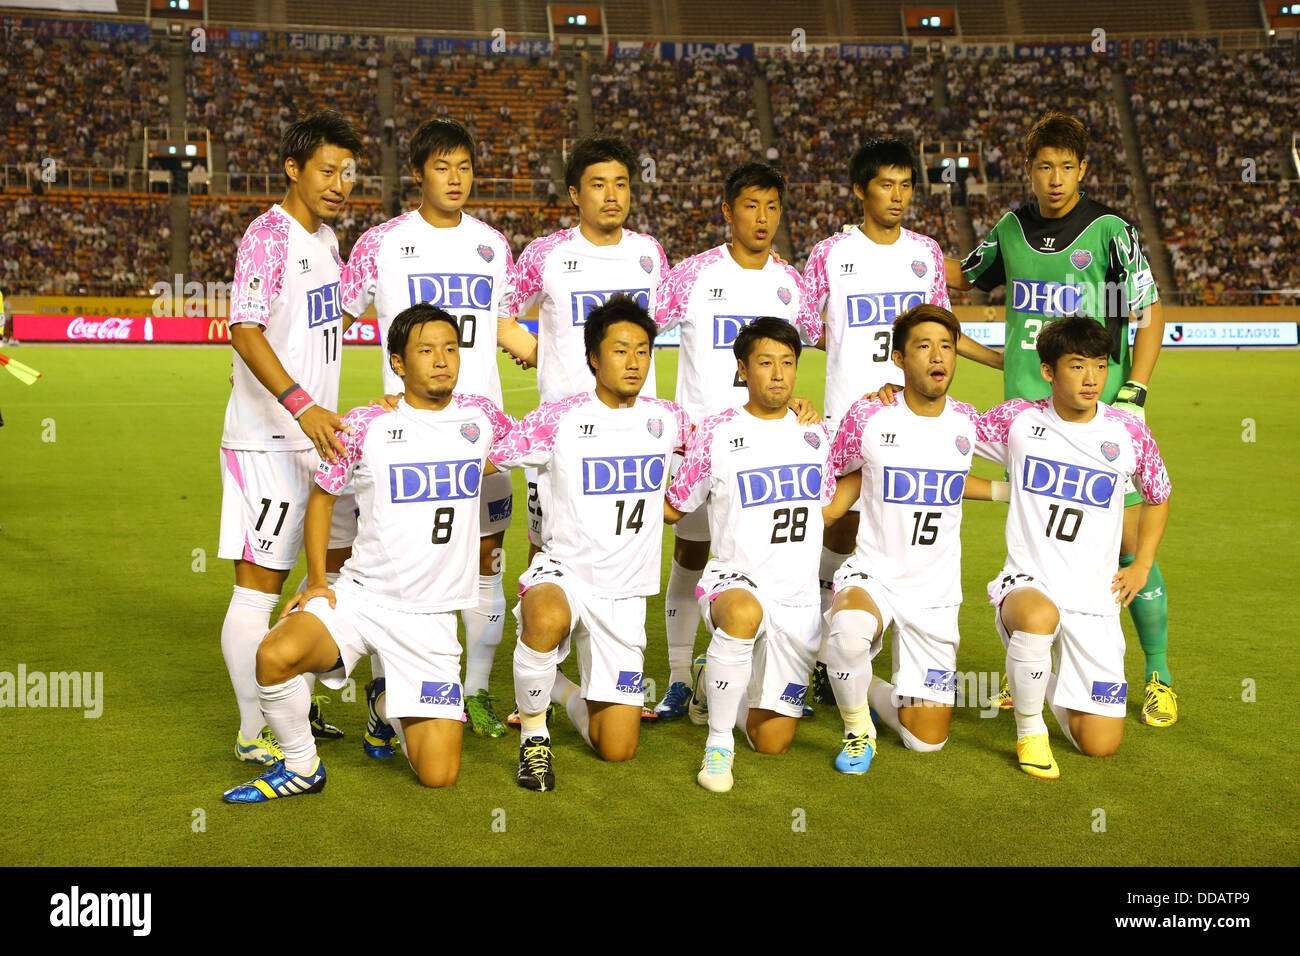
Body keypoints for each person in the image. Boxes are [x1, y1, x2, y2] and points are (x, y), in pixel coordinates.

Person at [222, 304, 516, 802]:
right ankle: (301, 766)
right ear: (398, 363)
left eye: (450, 348)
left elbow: (537, 446)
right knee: (274, 654)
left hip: (432, 619)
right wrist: (318, 581)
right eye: (426, 351)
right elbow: (323, 494)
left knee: (438, 775)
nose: (442, 360)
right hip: (361, 599)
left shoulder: (481, 418)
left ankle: (385, 707)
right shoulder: (365, 424)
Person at [945, 110, 1175, 726]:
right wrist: (901, 261)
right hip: (1025, 411)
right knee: (1032, 544)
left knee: (1127, 542)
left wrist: (1136, 390)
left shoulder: (1110, 232)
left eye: (1066, 167)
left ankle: (1157, 674)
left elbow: (1148, 315)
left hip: (1100, 413)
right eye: (1043, 166)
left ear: (1083, 170)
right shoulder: (1011, 229)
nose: (1054, 179)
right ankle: (1027, 672)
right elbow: (959, 279)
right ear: (1028, 169)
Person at [341, 118, 538, 742]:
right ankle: (382, 691)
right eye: (442, 168)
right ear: (418, 174)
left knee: (487, 559)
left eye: (465, 168)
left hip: (484, 437)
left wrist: (542, 350)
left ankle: (473, 691)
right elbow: (333, 318)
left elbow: (504, 325)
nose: (455, 180)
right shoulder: (381, 242)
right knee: (400, 563)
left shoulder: (493, 244)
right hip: (409, 434)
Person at [796, 139, 977, 700]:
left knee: (900, 518)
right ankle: (825, 647)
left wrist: (998, 359)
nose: (898, 197)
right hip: (848, 413)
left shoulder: (924, 252)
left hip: (913, 413)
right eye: (885, 185)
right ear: (860, 190)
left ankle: (883, 642)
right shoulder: (829, 253)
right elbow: (805, 323)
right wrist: (852, 359)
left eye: (906, 186)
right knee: (839, 524)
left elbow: (939, 324)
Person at [489, 296, 689, 791]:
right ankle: (534, 739)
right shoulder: (556, 419)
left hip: (624, 594)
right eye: (621, 350)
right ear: (595, 357)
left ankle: (557, 687)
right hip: (565, 573)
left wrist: (796, 408)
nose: (634, 361)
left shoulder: (668, 420)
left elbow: (733, 436)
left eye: (644, 350)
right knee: (547, 617)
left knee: (616, 749)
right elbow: (489, 447)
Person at [503, 134, 671, 722]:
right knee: (546, 547)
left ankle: (608, 681)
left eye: (621, 184)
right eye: (598, 185)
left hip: (630, 430)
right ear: (575, 193)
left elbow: (663, 326)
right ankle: (537, 681)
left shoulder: (650, 253)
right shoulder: (546, 253)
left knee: (628, 547)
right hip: (561, 436)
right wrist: (534, 349)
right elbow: (499, 311)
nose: (611, 196)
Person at [217, 110, 360, 766]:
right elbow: (243, 328)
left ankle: (288, 705)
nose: (340, 183)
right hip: (266, 441)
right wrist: (303, 406)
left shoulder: (328, 240)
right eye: (327, 170)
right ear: (292, 169)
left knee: (317, 577)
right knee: (259, 586)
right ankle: (255, 731)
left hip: (312, 441)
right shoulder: (267, 235)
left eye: (348, 172)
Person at [974, 316, 1172, 779]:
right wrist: (1004, 492)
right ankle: (1030, 733)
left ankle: (1037, 680)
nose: (1091, 379)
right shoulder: (1018, 419)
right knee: (1038, 618)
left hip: (1094, 598)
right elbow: (940, 444)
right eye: (1077, 366)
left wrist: (1141, 564)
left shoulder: (1128, 431)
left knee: (1100, 745)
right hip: (1029, 582)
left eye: (1100, 367)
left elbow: (1159, 496)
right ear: (1048, 371)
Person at [652, 161, 812, 719]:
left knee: (766, 560)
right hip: (703, 449)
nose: (763, 218)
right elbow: (639, 335)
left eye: (772, 206)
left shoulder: (792, 283)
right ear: (727, 211)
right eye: (751, 205)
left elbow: (805, 349)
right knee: (691, 556)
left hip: (767, 446)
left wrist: (792, 399)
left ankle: (768, 673)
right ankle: (677, 677)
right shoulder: (692, 274)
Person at [665, 318, 849, 793]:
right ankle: (718, 745)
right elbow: (675, 506)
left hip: (799, 598)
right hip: (735, 581)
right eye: (765, 363)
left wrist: (867, 470)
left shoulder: (814, 433)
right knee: (743, 614)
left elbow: (825, 509)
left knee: (772, 741)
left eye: (788, 363)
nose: (778, 374)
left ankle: (713, 682)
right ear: (743, 369)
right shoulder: (716, 432)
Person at [821, 304, 996, 773]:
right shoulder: (869, 413)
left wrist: (1006, 491)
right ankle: (858, 728)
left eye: (946, 346)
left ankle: (861, 680)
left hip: (935, 592)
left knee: (926, 741)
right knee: (850, 635)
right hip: (875, 572)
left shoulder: (967, 421)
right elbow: (835, 474)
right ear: (898, 359)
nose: (938, 356)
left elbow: (962, 473)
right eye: (923, 346)